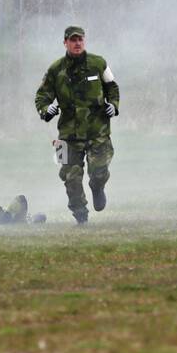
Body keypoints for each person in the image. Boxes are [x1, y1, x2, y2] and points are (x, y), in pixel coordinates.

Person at [34, 26, 120, 224]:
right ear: (65, 43)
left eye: (80, 39)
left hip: (98, 132)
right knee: (69, 176)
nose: (77, 43)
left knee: (99, 172)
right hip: (68, 135)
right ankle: (81, 217)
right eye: (73, 40)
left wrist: (114, 106)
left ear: (85, 40)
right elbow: (42, 96)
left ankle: (97, 187)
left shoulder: (98, 64)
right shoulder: (56, 70)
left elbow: (112, 87)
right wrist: (46, 110)